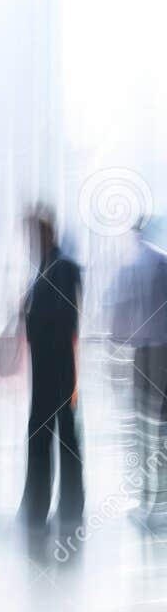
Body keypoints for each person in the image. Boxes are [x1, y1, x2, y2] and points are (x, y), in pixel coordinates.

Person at [18, 206, 84, 535]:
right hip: (49, 369)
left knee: (56, 436)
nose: (29, 240)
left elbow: (65, 320)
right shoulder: (47, 268)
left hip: (55, 369)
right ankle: (52, 505)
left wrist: (29, 316)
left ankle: (54, 506)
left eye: (32, 232)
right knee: (56, 436)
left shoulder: (62, 268)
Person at [109, 220, 167, 525]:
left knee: (144, 430)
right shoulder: (161, 262)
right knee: (160, 429)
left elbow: (119, 320)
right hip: (162, 352)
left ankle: (148, 501)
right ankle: (159, 501)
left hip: (142, 355)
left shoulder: (130, 267)